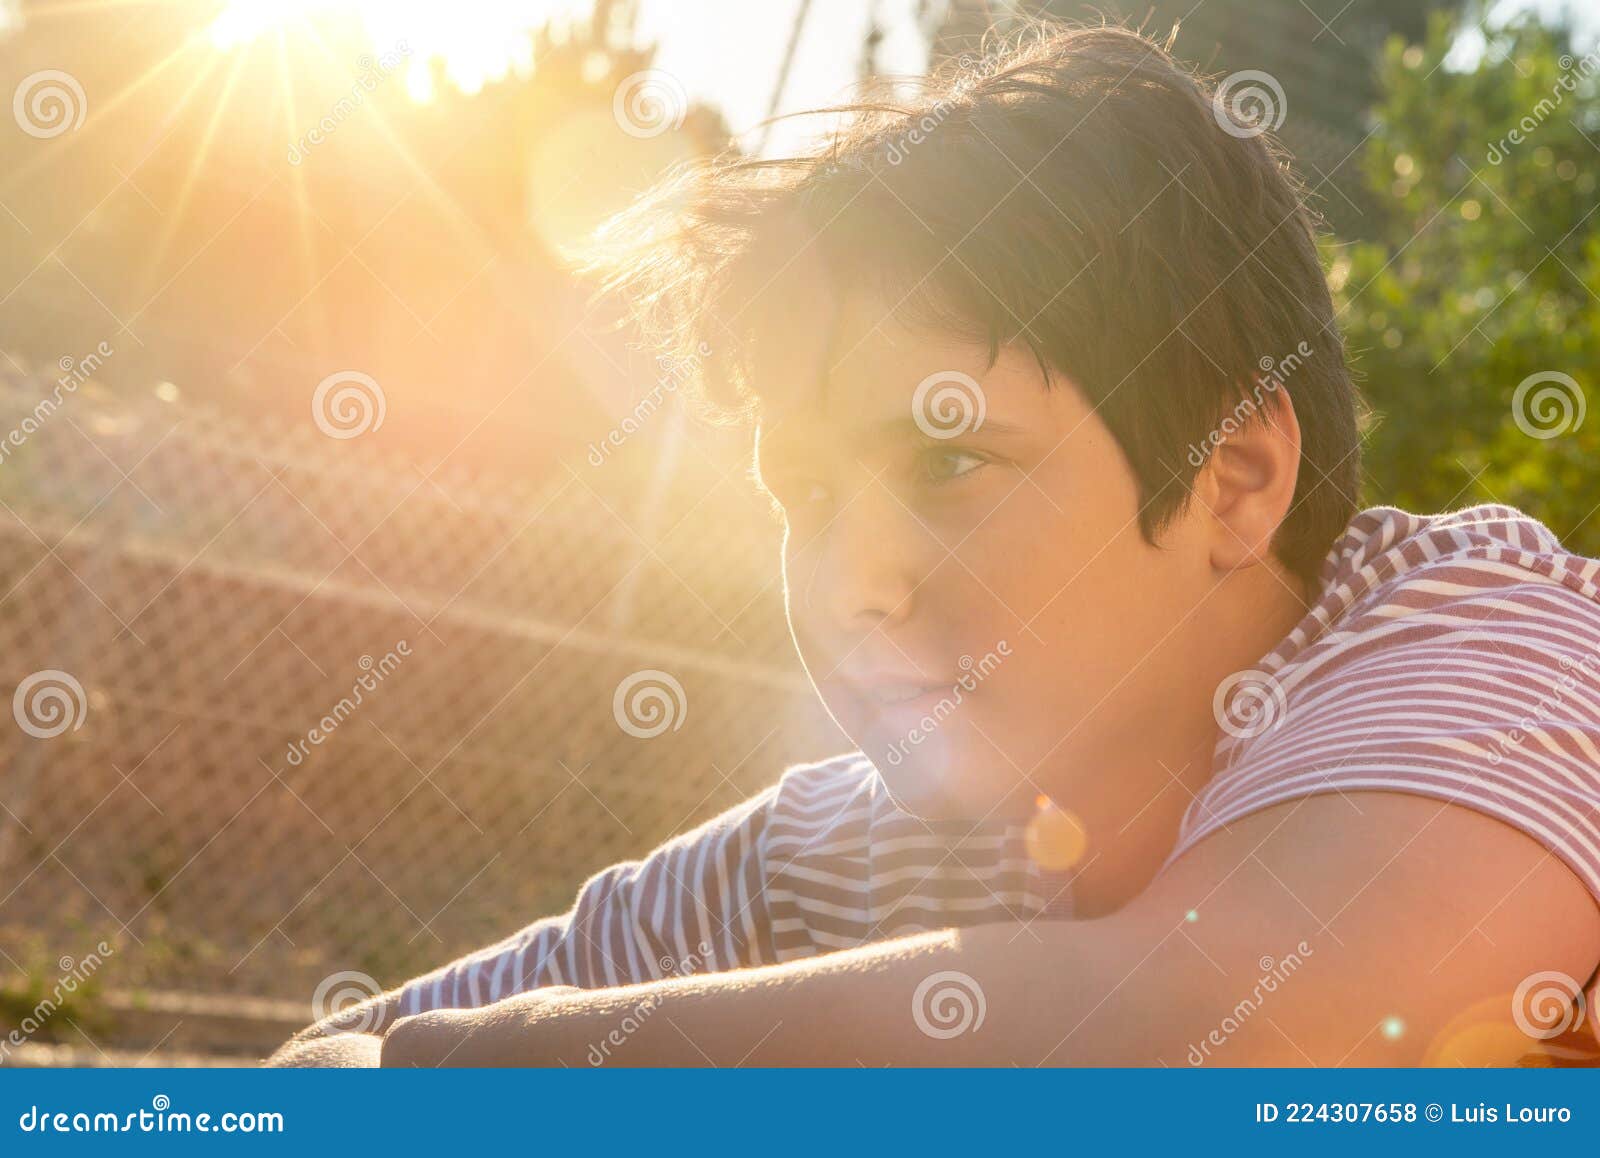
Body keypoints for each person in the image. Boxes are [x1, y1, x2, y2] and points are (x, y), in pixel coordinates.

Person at [268, 21, 1600, 1068]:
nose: (854, 580)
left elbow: (1235, 1033)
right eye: (801, 489)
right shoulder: (841, 849)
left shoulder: (1493, 639)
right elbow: (318, 1069)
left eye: (950, 462)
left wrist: (435, 1084)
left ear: (1233, 478)